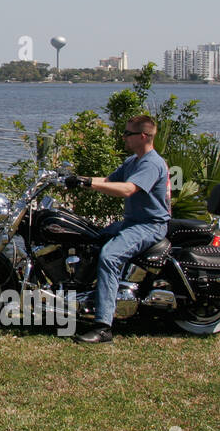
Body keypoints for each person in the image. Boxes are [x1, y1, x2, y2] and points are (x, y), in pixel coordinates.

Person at [65, 114, 171, 344]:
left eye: (128, 133)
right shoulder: (134, 161)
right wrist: (75, 179)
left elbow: (127, 189)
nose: (123, 137)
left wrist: (87, 184)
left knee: (110, 256)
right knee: (89, 239)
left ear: (143, 136)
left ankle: (103, 327)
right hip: (132, 223)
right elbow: (108, 180)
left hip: (148, 225)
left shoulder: (151, 163)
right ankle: (86, 297)